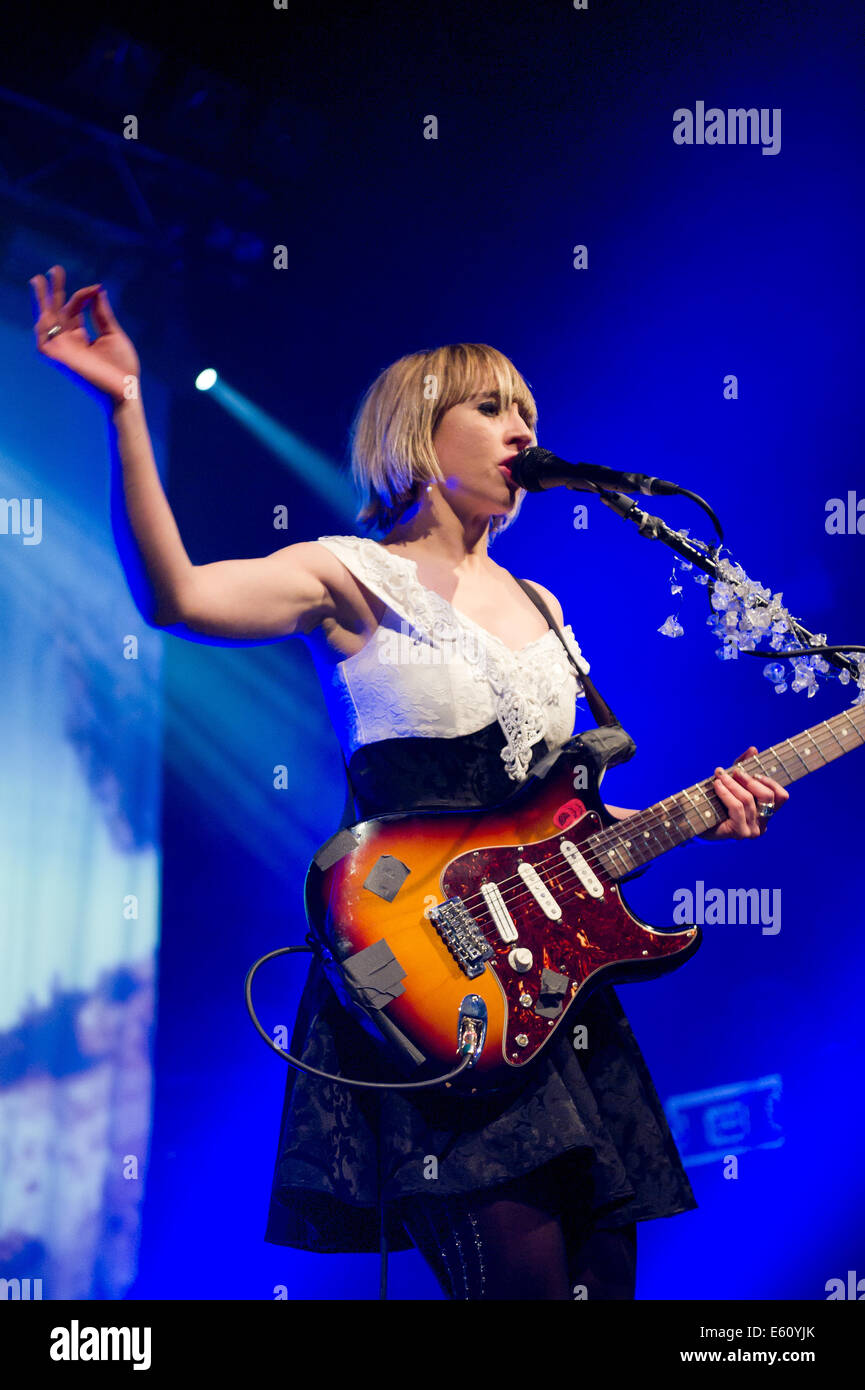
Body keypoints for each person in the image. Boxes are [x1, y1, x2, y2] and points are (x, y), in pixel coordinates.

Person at [29, 266, 790, 1300]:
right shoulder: (349, 574)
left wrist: (698, 818)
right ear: (419, 435)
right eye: (492, 407)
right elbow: (176, 597)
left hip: (554, 992)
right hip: (431, 981)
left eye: (528, 411)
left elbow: (560, 827)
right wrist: (125, 404)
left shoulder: (543, 604)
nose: (522, 428)